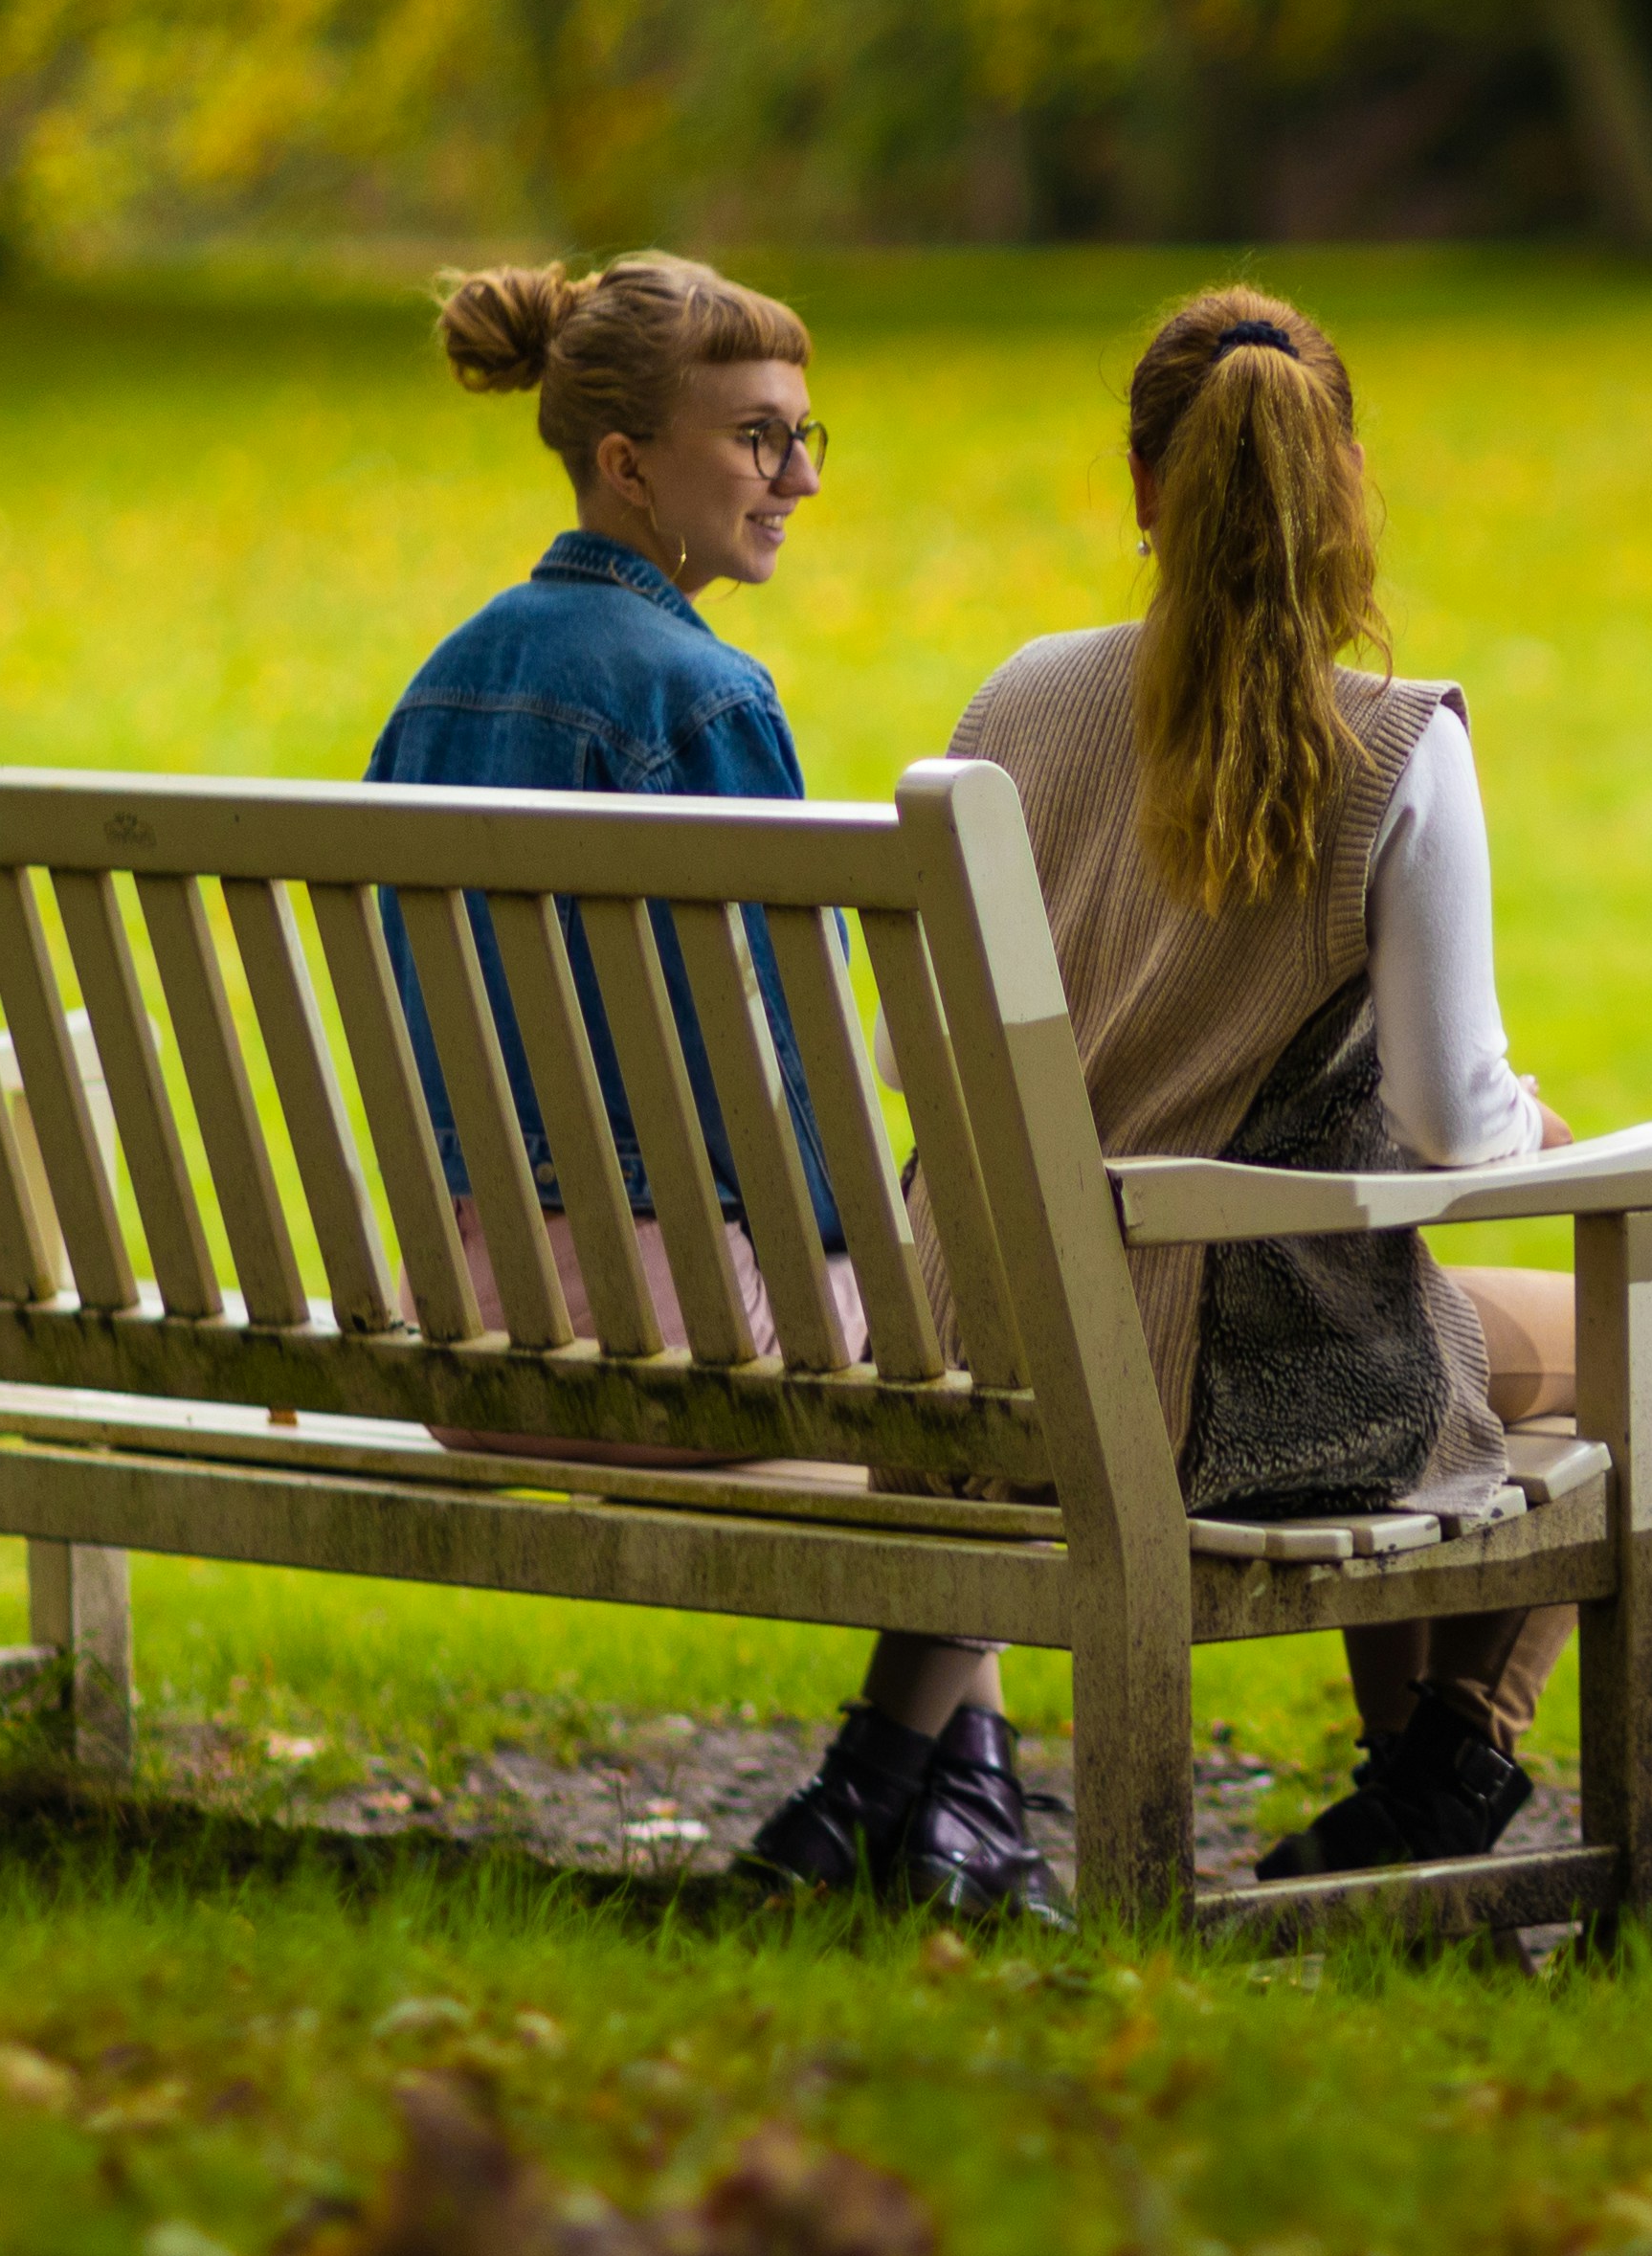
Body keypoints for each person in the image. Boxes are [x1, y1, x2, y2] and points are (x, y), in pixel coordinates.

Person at [371, 253, 1051, 1916]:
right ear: (628, 466)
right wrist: (894, 1237)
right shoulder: (703, 698)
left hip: (463, 1331)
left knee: (982, 1307)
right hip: (665, 1339)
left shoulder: (438, 686)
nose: (801, 477)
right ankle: (891, 1781)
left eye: (806, 434)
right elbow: (792, 1090)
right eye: (757, 439)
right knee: (1044, 1334)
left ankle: (958, 1803)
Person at [934, 285, 1580, 1880]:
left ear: (1146, 488)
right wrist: (1545, 1130)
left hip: (969, 1345)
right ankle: (1454, 1760)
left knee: (1412, 1308)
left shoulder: (1018, 698)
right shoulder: (1388, 742)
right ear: (1341, 477)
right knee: (1595, 1337)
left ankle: (1410, 1790)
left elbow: (913, 1049)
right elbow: (1449, 1119)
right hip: (1201, 1389)